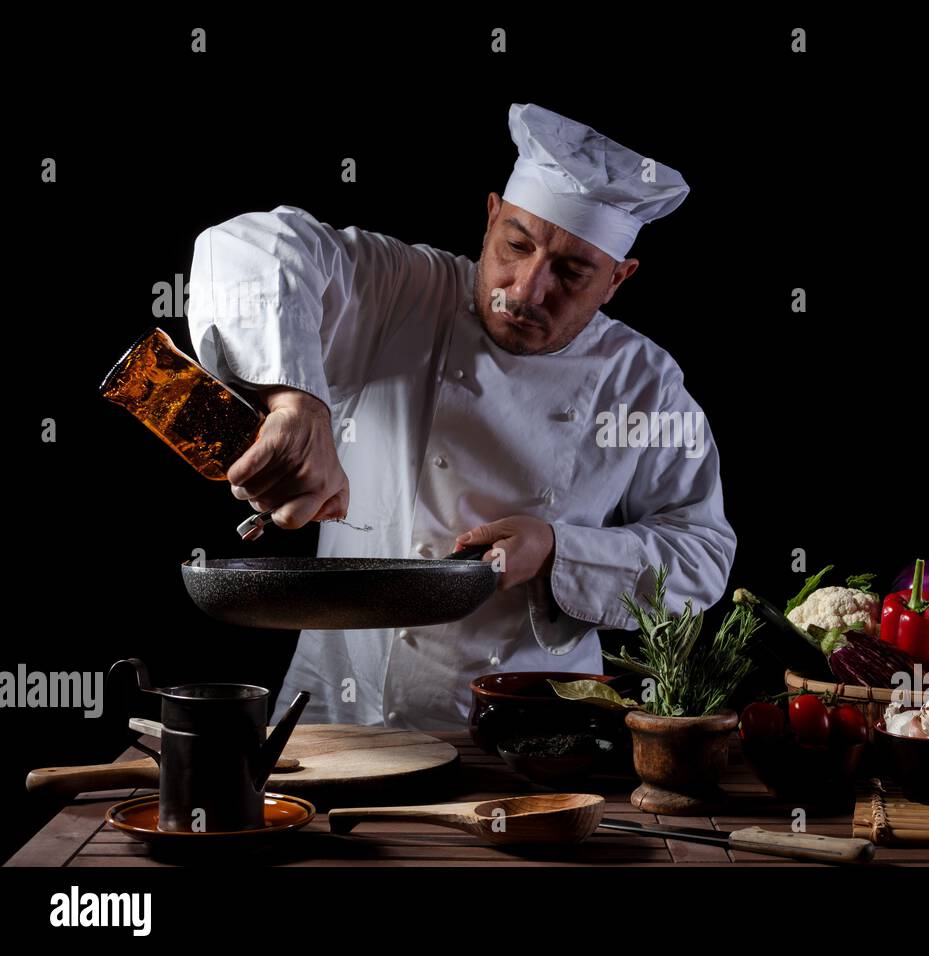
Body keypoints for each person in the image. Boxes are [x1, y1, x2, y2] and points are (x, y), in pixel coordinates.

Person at [186, 103, 736, 729]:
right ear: (491, 215)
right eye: (517, 245)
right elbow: (245, 246)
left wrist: (558, 552)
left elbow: (701, 553)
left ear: (618, 278)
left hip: (530, 728)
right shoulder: (401, 291)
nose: (526, 290)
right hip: (342, 709)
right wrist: (296, 402)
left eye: (572, 272)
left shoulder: (645, 385)